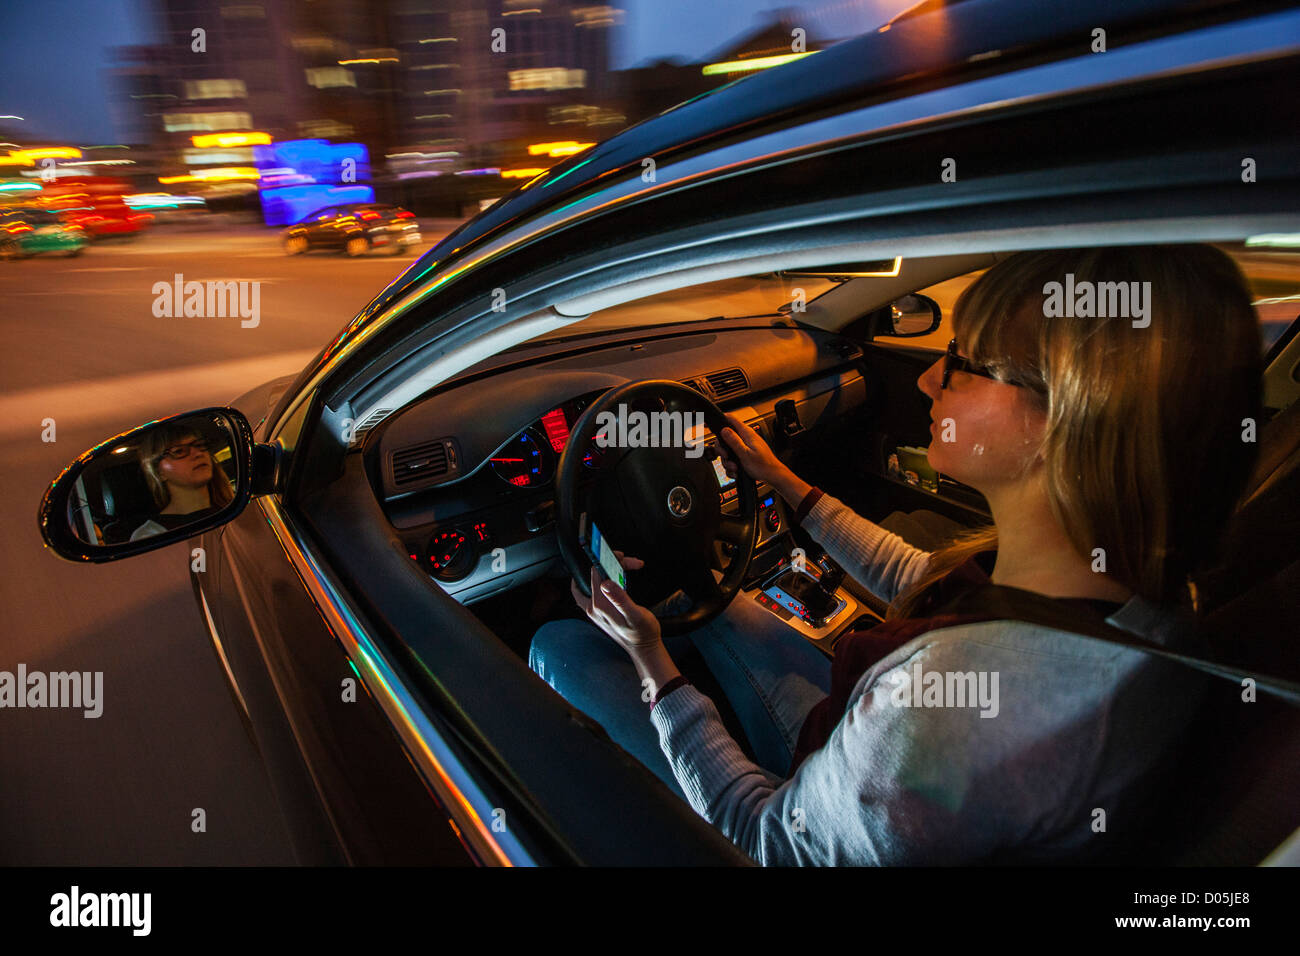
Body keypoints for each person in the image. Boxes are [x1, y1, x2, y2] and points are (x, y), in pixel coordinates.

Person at [529, 244, 1263, 865]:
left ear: (1064, 421)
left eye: (964, 363)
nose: (926, 378)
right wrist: (789, 488)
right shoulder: (1145, 599)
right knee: (717, 604)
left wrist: (651, 661)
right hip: (863, 755)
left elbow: (763, 840)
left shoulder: (945, 713)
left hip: (803, 812)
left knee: (560, 646)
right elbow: (929, 581)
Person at [128, 424, 234, 542]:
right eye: (179, 451)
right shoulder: (150, 535)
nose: (198, 453)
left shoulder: (235, 507)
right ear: (159, 473)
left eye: (199, 445)